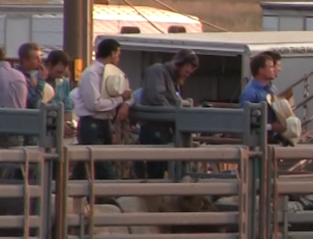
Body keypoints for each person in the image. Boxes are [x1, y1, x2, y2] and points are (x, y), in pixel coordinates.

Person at [70, 38, 133, 182]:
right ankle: (110, 191)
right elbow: (94, 104)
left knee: (87, 164)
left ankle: (73, 188)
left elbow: (128, 93)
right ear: (112, 54)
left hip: (104, 123)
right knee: (102, 164)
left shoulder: (111, 74)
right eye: (117, 55)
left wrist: (126, 103)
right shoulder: (91, 74)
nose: (118, 59)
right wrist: (120, 100)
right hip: (92, 122)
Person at [135, 49, 200, 179]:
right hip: (154, 129)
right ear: (180, 63)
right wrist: (176, 111)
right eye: (187, 71)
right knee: (156, 171)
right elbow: (155, 98)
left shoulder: (173, 80)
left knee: (164, 168)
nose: (187, 75)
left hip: (165, 129)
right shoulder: (157, 71)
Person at [240, 53, 289, 143]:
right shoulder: (250, 93)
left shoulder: (272, 89)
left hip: (272, 138)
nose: (274, 69)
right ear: (261, 70)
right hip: (258, 141)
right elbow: (246, 122)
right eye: (271, 67)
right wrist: (271, 127)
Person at [42, 50, 76, 139]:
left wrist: (67, 124)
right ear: (49, 65)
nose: (61, 76)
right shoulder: (37, 81)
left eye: (63, 73)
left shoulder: (64, 82)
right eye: (58, 72)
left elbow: (67, 106)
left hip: (59, 127)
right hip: (43, 126)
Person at [14, 42, 46, 110]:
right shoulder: (20, 77)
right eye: (36, 58)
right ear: (25, 60)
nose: (40, 61)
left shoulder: (32, 75)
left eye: (40, 57)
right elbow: (34, 104)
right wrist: (41, 81)